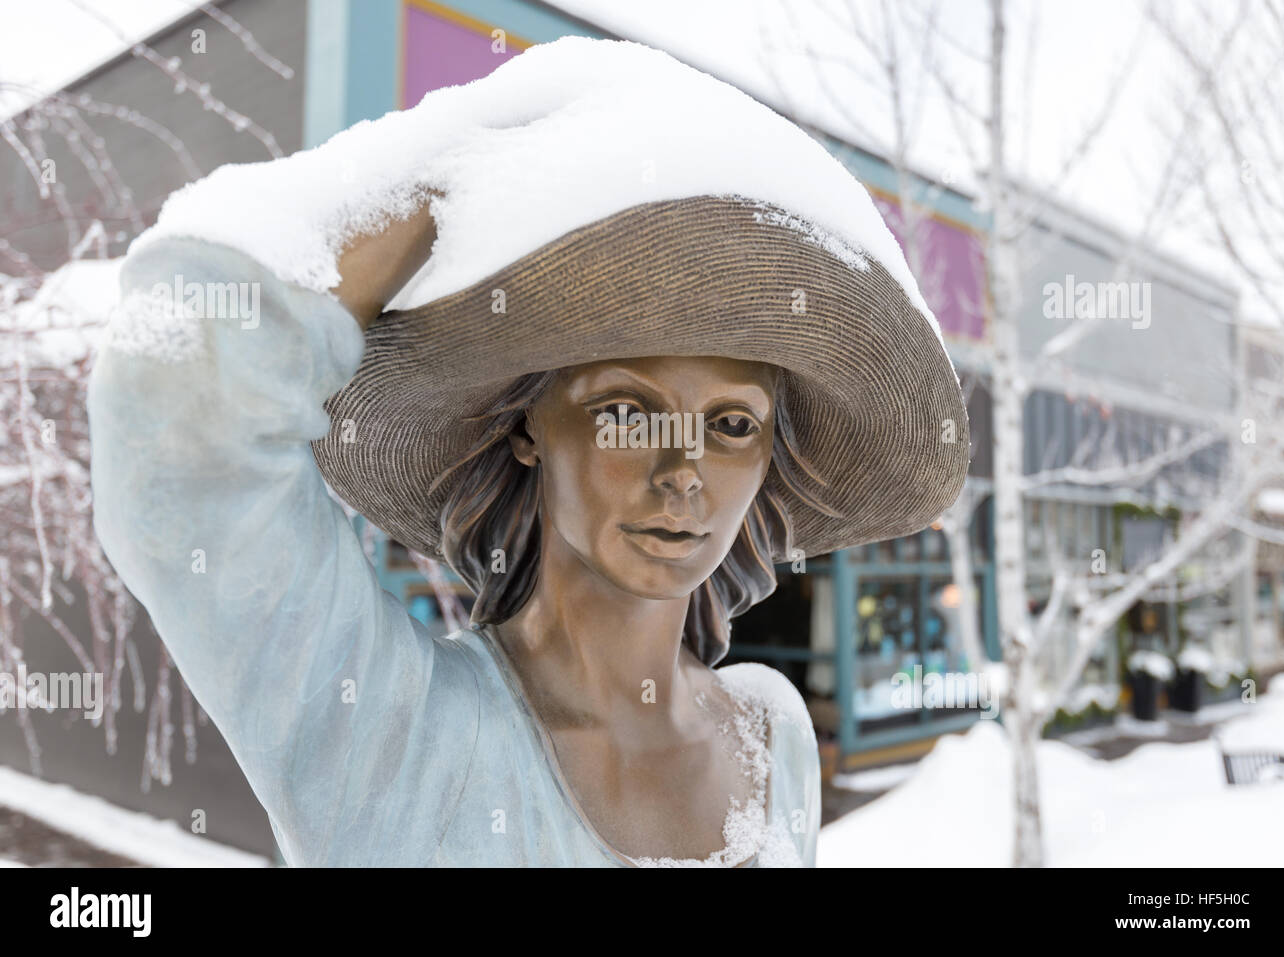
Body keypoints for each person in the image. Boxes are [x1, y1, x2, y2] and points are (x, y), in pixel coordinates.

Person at [87, 37, 968, 866]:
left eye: (733, 425)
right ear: (527, 425)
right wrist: (445, 172)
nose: (683, 472)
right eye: (627, 410)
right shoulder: (402, 744)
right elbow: (174, 409)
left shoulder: (772, 738)